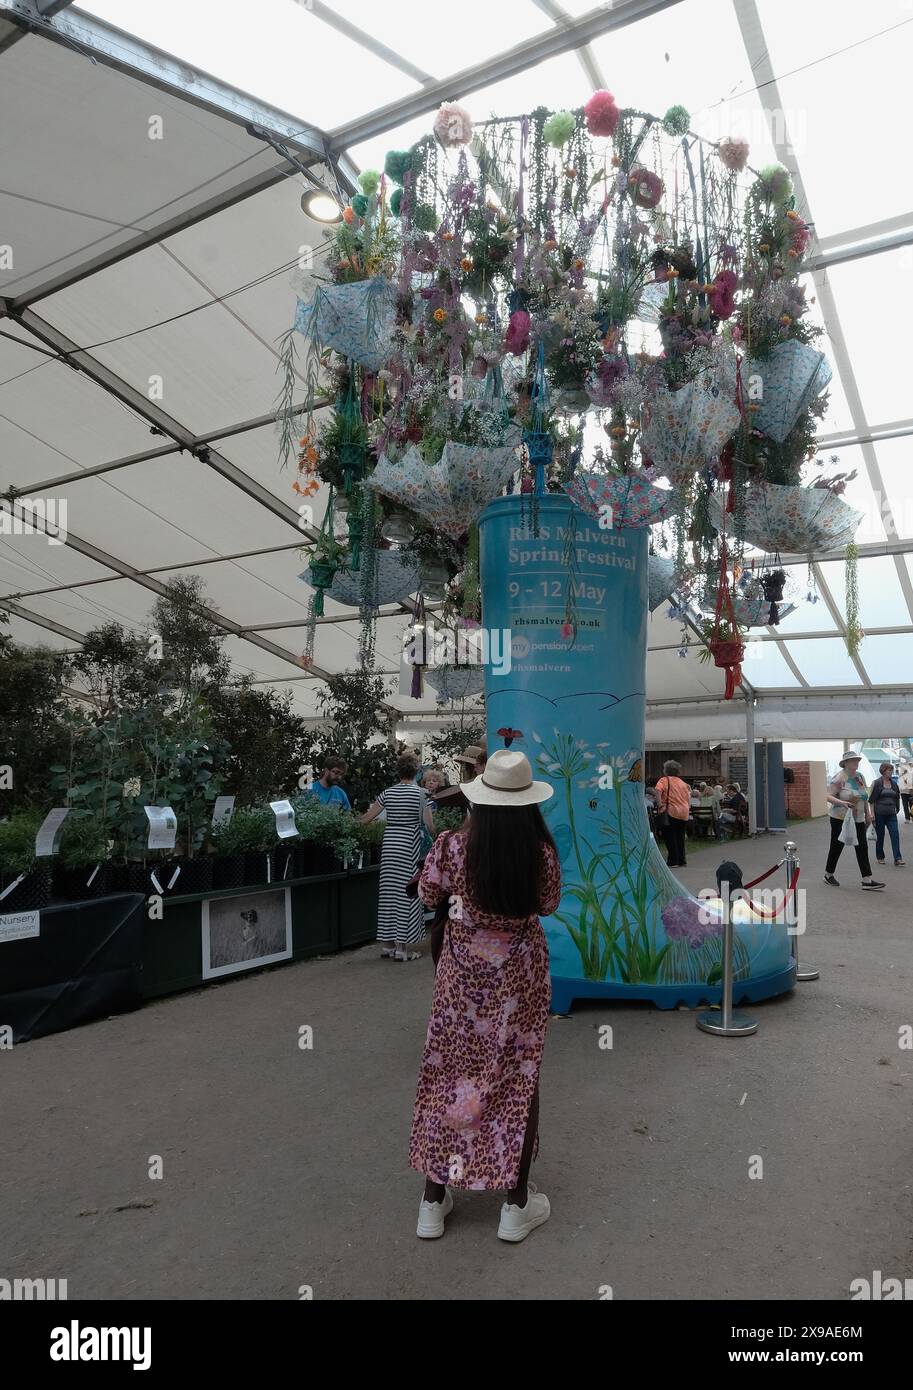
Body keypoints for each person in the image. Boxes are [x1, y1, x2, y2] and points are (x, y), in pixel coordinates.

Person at [411, 749, 560, 1243]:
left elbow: (428, 896)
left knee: (450, 1073)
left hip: (461, 977)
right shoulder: (539, 851)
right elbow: (548, 903)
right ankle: (515, 1205)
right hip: (519, 976)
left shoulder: (453, 846)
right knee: (518, 1077)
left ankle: (433, 1201)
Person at [361, 754, 435, 960]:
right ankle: (403, 949)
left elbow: (366, 819)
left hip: (390, 845)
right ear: (417, 771)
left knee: (388, 892)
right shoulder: (422, 794)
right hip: (409, 844)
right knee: (408, 891)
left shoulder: (387, 793)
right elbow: (429, 825)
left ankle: (387, 944)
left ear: (398, 771)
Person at [824, 750, 884, 890]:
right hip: (840, 818)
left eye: (857, 760)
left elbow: (864, 797)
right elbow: (828, 796)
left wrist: (868, 815)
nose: (856, 762)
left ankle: (866, 880)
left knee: (862, 846)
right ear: (845, 763)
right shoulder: (839, 778)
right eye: (853, 760)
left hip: (858, 818)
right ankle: (828, 874)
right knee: (837, 846)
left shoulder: (859, 777)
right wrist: (841, 803)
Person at [654, 759, 691, 867]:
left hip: (671, 811)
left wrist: (660, 803)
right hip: (683, 812)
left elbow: (657, 790)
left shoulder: (664, 780)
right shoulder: (682, 783)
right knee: (680, 836)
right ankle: (682, 860)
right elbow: (687, 797)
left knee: (670, 836)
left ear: (666, 770)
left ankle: (673, 861)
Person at [870, 761, 905, 868]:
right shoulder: (877, 783)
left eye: (891, 770)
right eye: (888, 770)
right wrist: (872, 814)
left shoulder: (894, 784)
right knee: (880, 836)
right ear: (883, 771)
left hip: (891, 814)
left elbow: (897, 797)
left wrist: (897, 809)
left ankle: (897, 859)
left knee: (895, 835)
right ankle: (880, 856)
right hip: (879, 814)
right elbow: (871, 800)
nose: (890, 772)